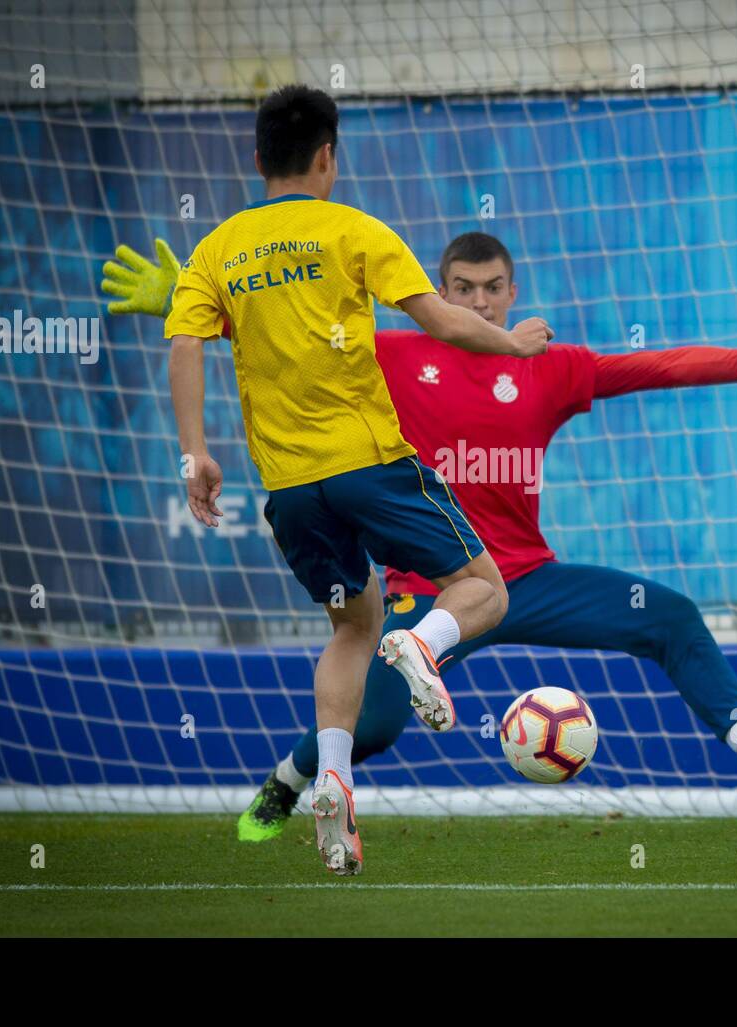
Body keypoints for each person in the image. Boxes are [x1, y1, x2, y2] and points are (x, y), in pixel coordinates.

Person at [110, 225, 737, 841]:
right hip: (435, 591)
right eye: (462, 289)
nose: (481, 300)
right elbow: (290, 339)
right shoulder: (391, 355)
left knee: (669, 616)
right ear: (439, 296)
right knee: (371, 724)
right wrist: (185, 306)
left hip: (529, 580)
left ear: (512, 293)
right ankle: (286, 782)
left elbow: (653, 368)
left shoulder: (544, 365)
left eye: (492, 288)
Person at [153, 86, 551, 875]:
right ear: (328, 156)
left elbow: (187, 344)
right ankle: (424, 642)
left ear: (260, 157)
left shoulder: (219, 249)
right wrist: (511, 344)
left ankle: (332, 780)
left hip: (291, 491)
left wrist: (193, 453)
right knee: (482, 587)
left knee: (350, 628)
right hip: (370, 463)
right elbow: (439, 319)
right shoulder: (354, 230)